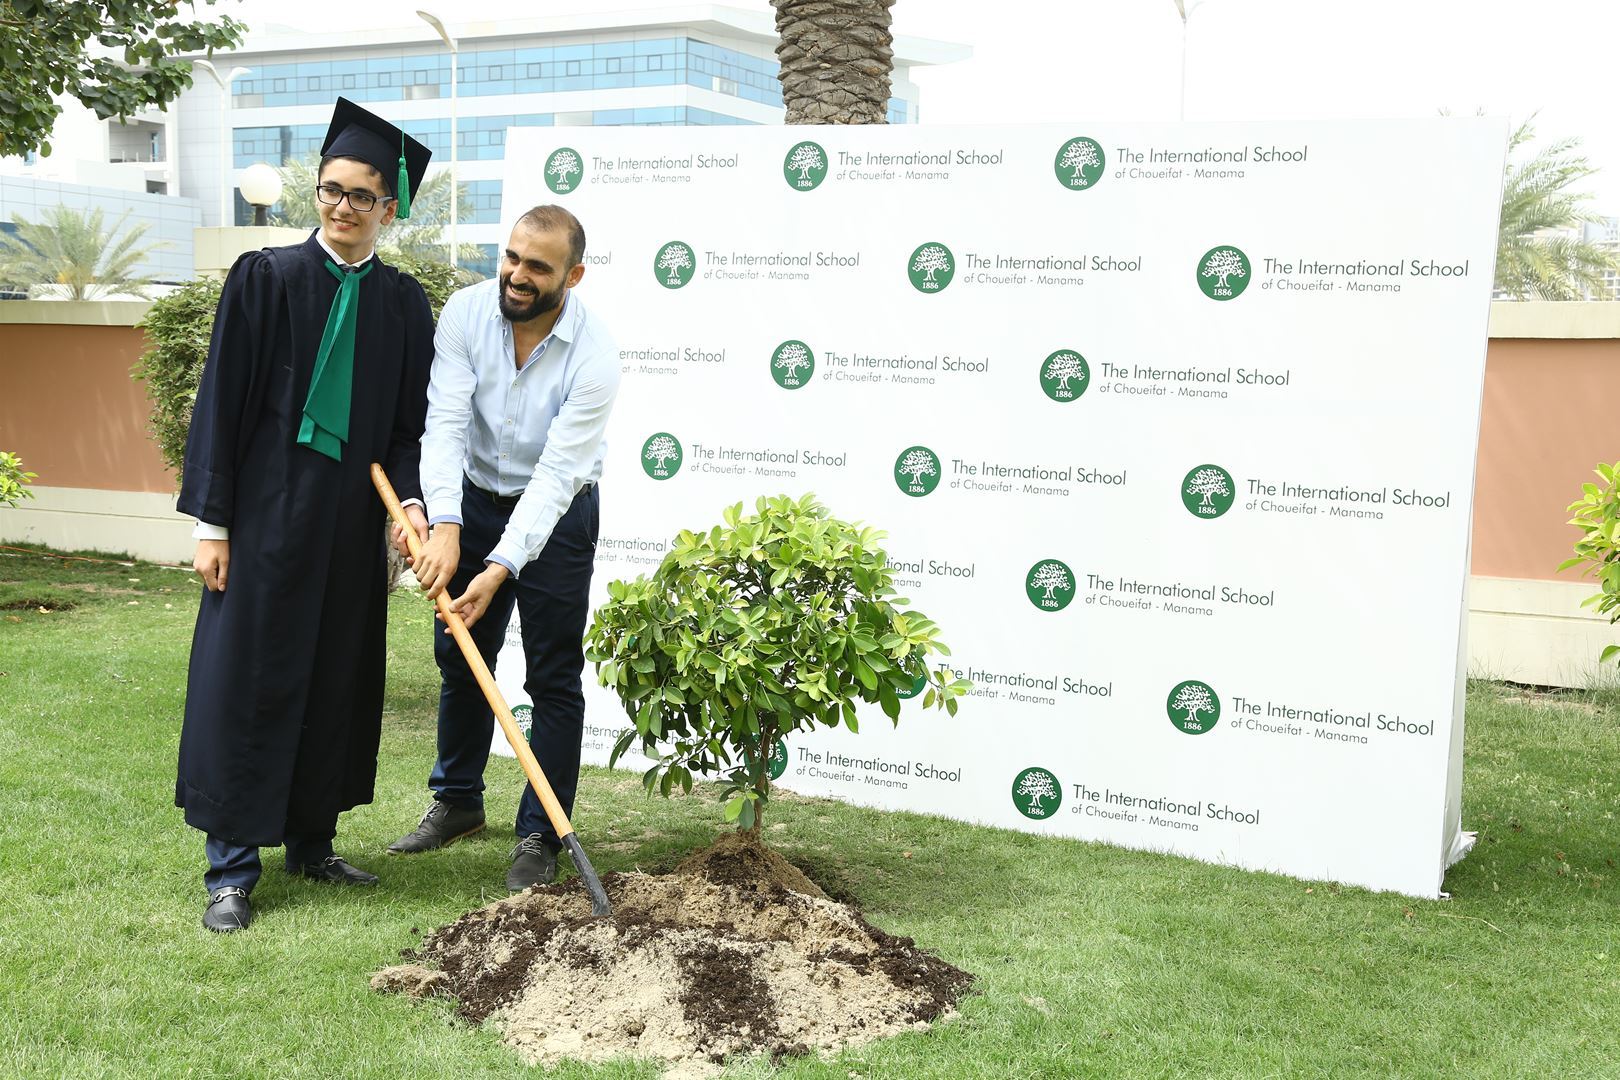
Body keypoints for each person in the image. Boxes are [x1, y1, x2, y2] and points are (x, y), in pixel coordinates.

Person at [176, 97, 434, 933]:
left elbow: (408, 427)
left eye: (362, 195)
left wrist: (411, 505)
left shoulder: (402, 303)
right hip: (263, 520)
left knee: (334, 675)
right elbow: (221, 404)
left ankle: (312, 844)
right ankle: (231, 869)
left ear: (388, 208)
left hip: (349, 529)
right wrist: (212, 524)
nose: (342, 207)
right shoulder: (267, 279)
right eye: (331, 190)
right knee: (247, 678)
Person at [387, 204, 619, 892]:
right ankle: (458, 800)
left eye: (537, 267)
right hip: (474, 497)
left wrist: (499, 567)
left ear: (573, 276)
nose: (516, 275)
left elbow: (555, 477)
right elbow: (444, 424)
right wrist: (446, 523)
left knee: (552, 677)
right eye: (511, 257)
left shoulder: (596, 356)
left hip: (558, 512)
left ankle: (540, 832)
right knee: (462, 653)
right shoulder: (466, 313)